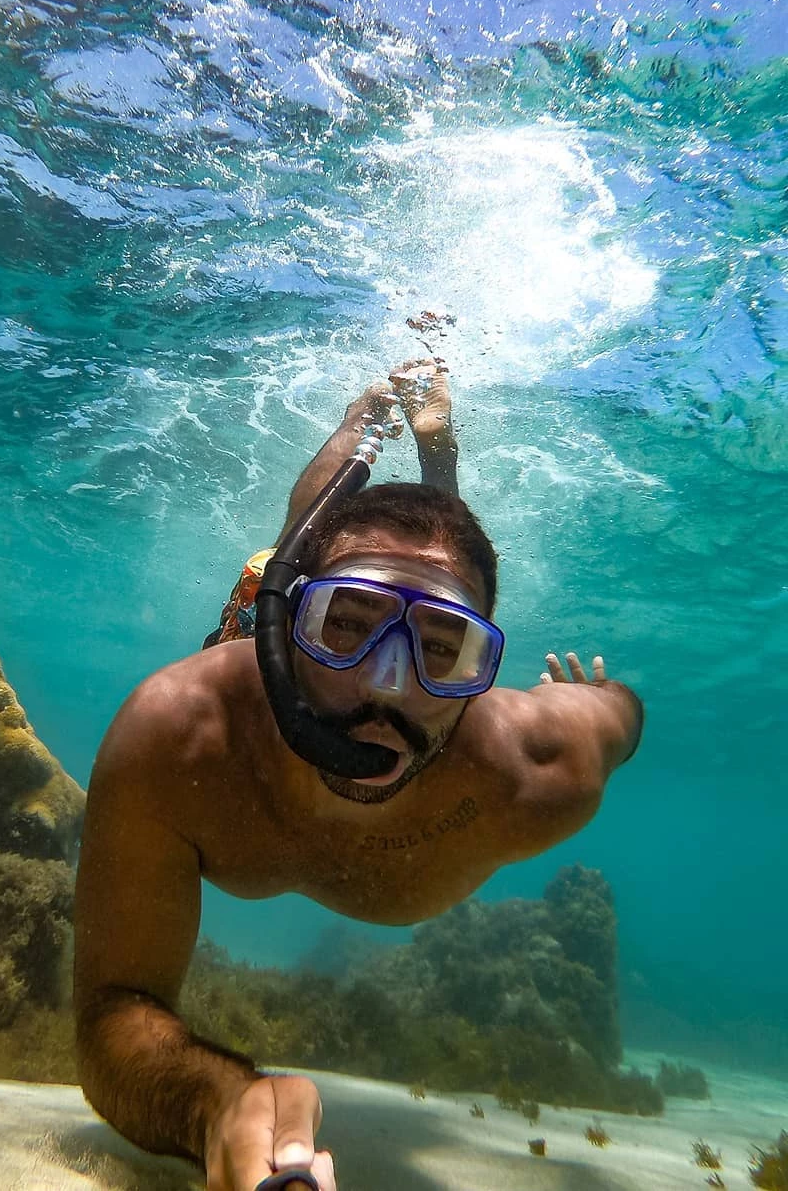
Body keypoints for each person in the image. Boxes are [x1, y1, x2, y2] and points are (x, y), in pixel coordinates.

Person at [73, 358, 643, 1191]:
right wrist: (214, 1105)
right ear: (285, 624)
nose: (387, 686)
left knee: (419, 557)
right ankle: (364, 424)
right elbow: (110, 1008)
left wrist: (593, 702)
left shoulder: (537, 765)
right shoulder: (180, 736)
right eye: (343, 626)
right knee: (311, 532)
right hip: (259, 627)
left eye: (445, 650)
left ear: (484, 666)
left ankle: (432, 459)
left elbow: (621, 714)